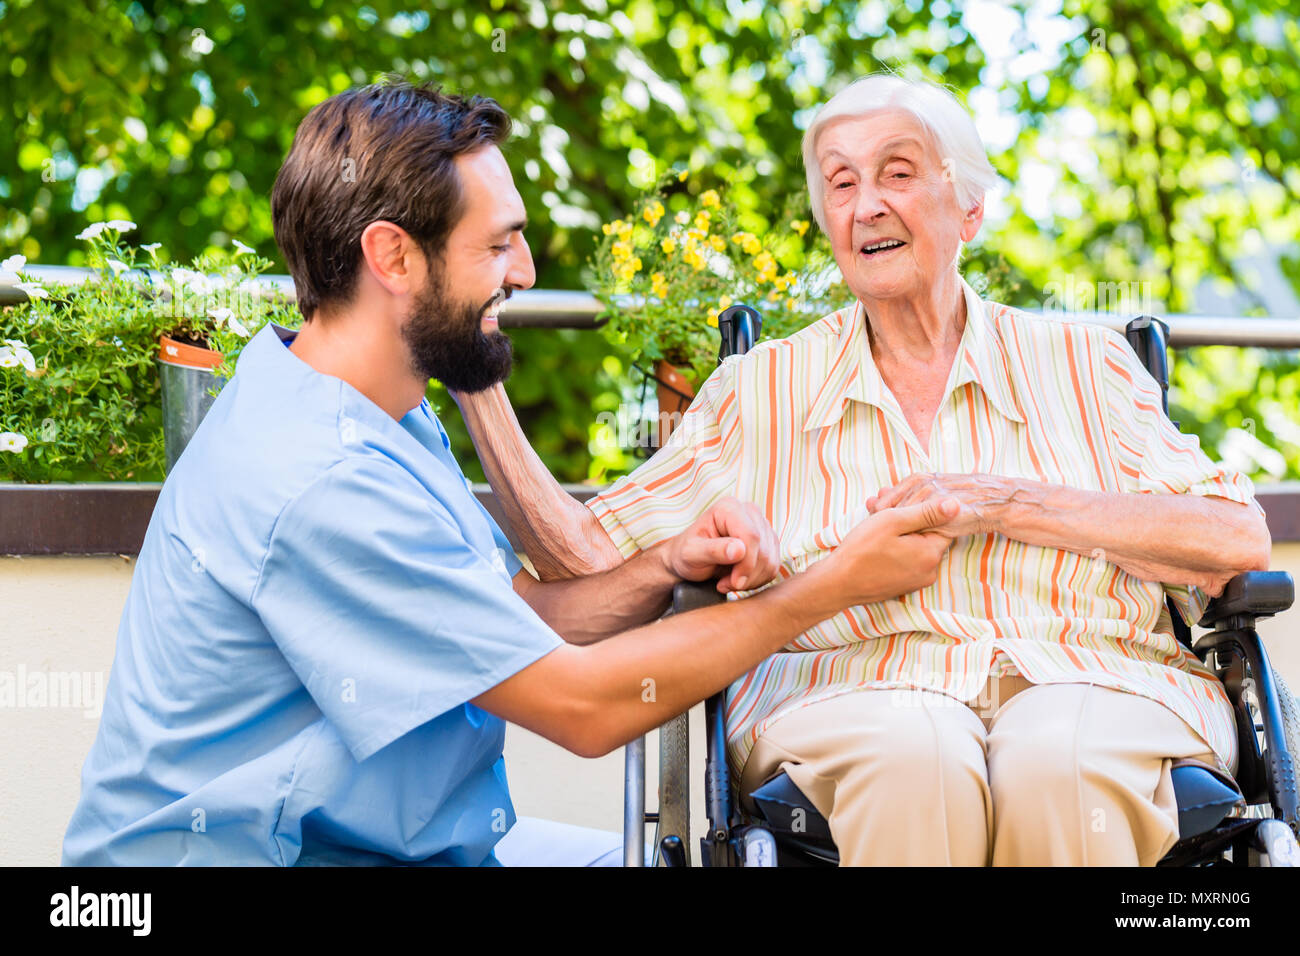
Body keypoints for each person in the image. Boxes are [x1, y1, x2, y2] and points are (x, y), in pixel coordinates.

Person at [62, 78, 963, 867]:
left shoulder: (382, 408)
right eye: (498, 245)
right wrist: (833, 586)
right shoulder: (317, 476)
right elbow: (581, 708)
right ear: (393, 257)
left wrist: (663, 567)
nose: (525, 272)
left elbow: (515, 619)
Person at [453, 74, 1273, 866]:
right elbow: (586, 559)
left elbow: (1235, 540)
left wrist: (1004, 500)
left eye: (899, 172)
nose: (866, 204)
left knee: (1059, 764)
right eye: (840, 184)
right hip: (851, 695)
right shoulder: (764, 389)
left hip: (1099, 680)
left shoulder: (1085, 366)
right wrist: (474, 376)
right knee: (916, 761)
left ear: (972, 208)